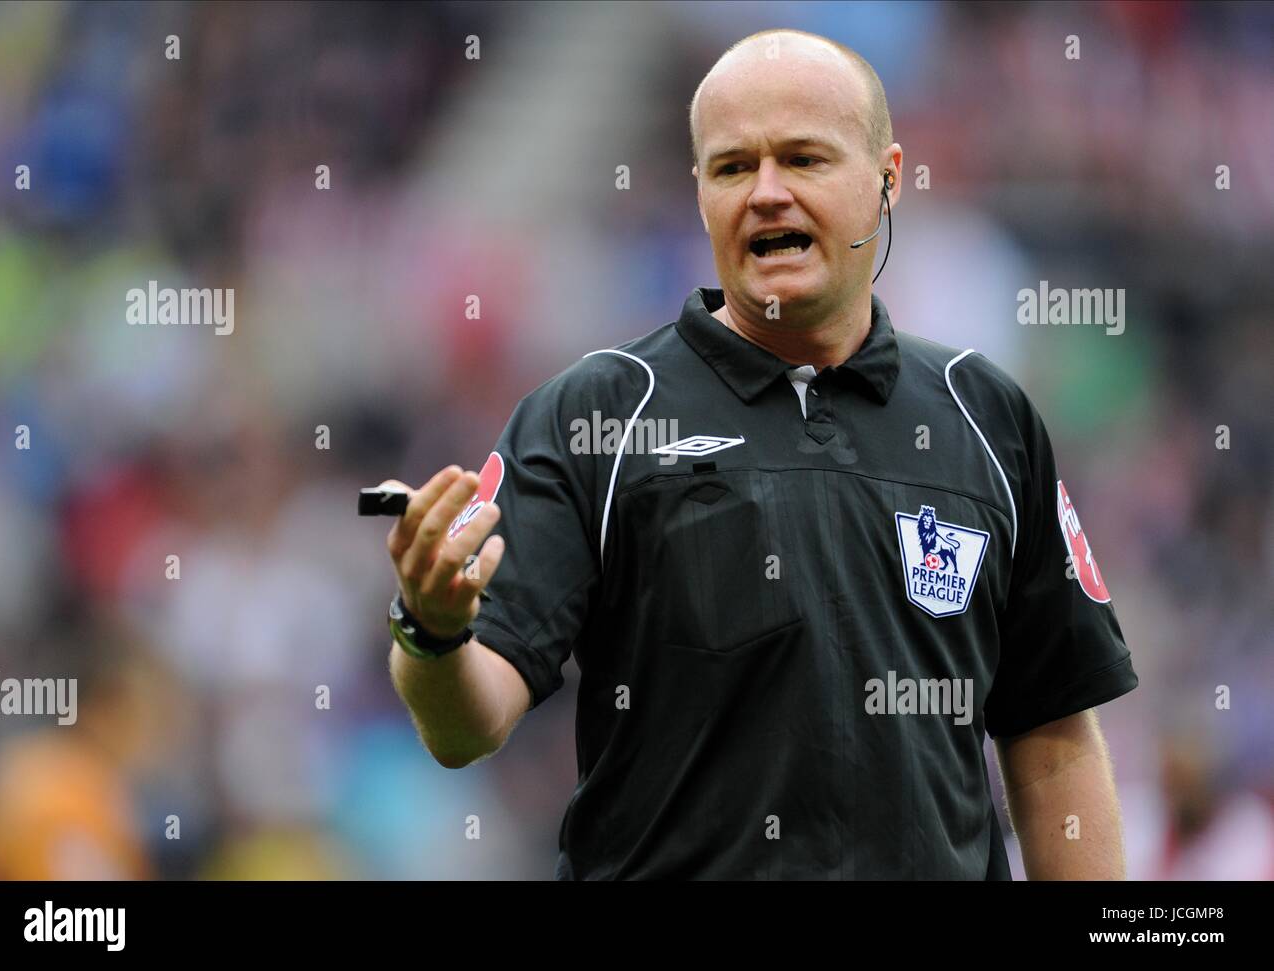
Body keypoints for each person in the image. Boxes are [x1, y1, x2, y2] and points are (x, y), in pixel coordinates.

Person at [378, 29, 1138, 879]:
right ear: (699, 191)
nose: (767, 194)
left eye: (803, 159)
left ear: (888, 177)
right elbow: (464, 726)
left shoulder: (985, 417)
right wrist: (432, 630)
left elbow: (1055, 740)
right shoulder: (598, 413)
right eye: (734, 168)